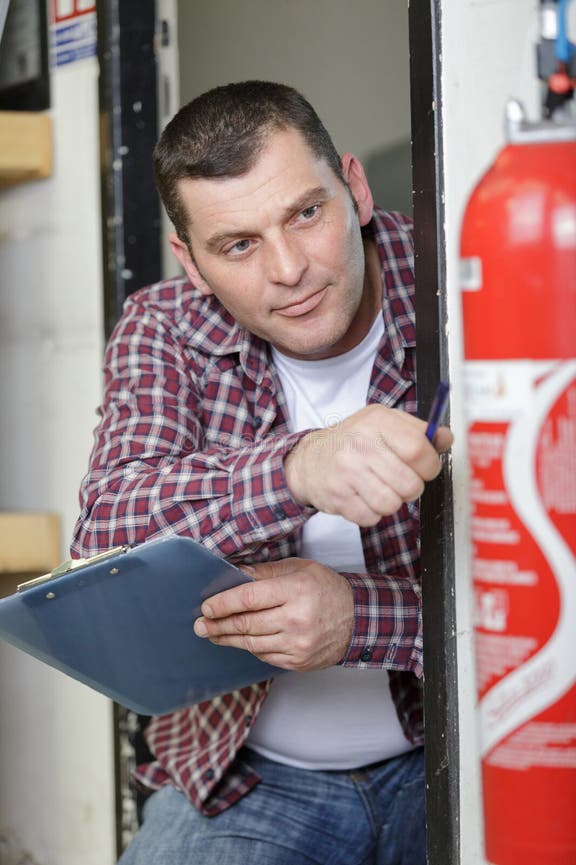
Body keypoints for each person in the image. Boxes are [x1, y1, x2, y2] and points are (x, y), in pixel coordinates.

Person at [72, 80, 453, 865]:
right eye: (238, 244)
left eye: (306, 213)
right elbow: (105, 533)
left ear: (355, 187)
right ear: (193, 261)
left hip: (450, 754)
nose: (289, 271)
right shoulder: (166, 324)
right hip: (247, 777)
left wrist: (362, 617)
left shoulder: (463, 290)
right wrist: (296, 467)